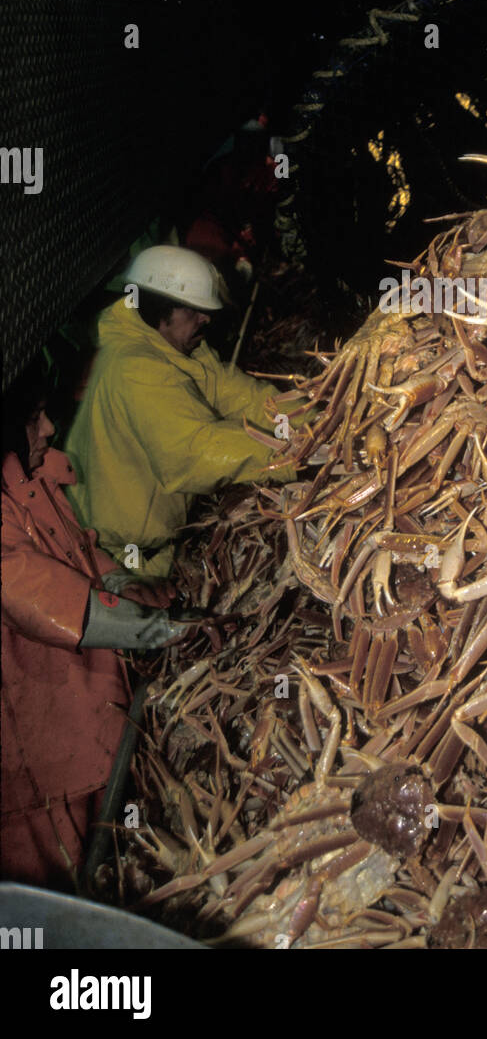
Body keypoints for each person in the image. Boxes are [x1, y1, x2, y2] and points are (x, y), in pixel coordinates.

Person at [1, 362, 186, 888]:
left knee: (102, 870)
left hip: (88, 727)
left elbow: (75, 552)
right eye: (34, 417)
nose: (49, 429)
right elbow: (33, 593)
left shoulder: (28, 480)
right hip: (35, 770)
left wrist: (123, 583)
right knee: (50, 901)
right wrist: (158, 629)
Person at [65, 245, 308, 581]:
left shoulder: (173, 349)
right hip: (120, 561)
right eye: (196, 310)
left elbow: (245, 398)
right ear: (161, 308)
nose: (206, 318)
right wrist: (296, 454)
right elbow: (195, 452)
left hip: (159, 550)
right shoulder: (136, 367)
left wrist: (317, 423)